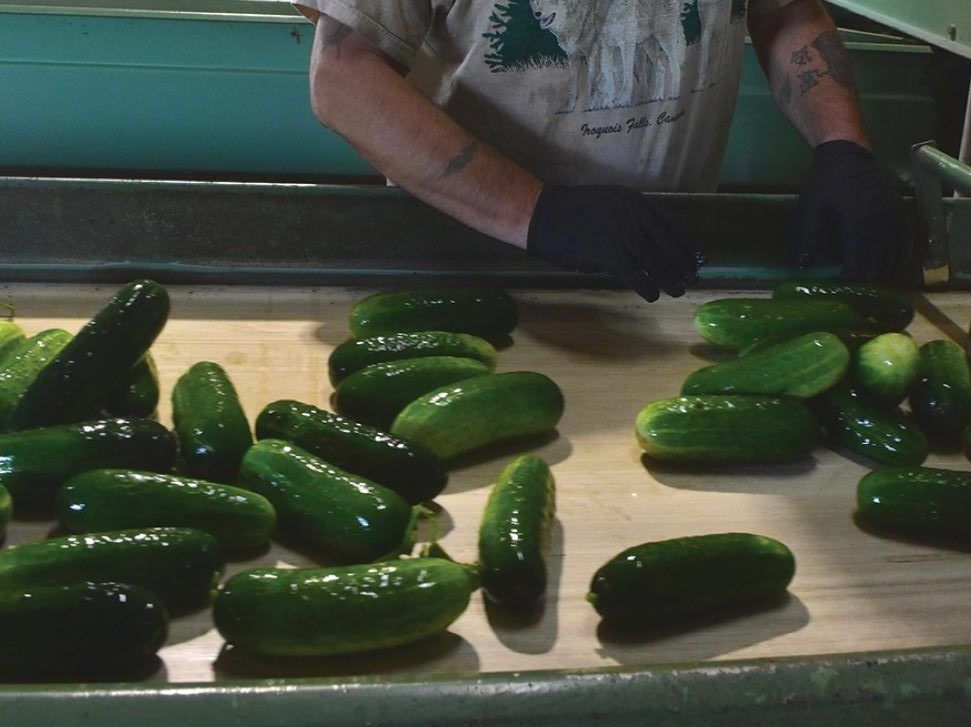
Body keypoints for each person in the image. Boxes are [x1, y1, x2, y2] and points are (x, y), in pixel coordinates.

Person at [293, 0, 905, 301]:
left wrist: (841, 147)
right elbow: (343, 78)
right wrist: (537, 214)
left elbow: (787, 11)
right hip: (479, 273)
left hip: (668, 273)